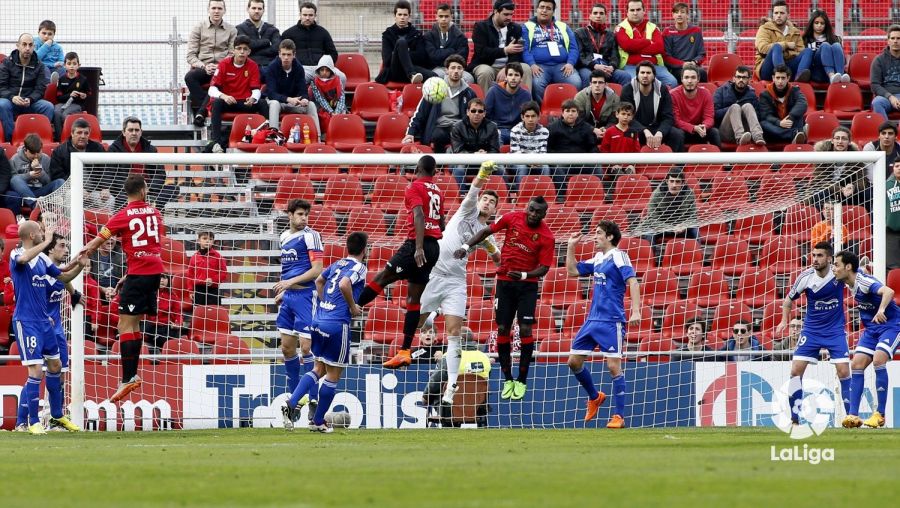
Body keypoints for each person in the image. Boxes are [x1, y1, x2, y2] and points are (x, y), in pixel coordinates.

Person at [453, 196, 555, 400]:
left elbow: (544, 268)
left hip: (527, 286)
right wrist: (465, 247)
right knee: (502, 328)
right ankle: (508, 378)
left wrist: (526, 275)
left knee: (525, 329)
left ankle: (522, 380)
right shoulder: (511, 218)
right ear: (528, 207)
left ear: (544, 214)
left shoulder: (547, 237)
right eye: (531, 210)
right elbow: (486, 231)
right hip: (504, 283)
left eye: (538, 212)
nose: (533, 214)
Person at [417, 161, 500, 406]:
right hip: (434, 273)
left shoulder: (486, 233)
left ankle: (451, 385)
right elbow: (474, 188)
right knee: (418, 323)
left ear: (495, 210)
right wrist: (484, 173)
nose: (487, 202)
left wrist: (495, 246)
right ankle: (435, 314)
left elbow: (497, 257)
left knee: (454, 334)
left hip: (455, 281)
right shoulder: (466, 210)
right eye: (485, 199)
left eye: (492, 202)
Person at [81, 175, 165, 403]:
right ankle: (131, 376)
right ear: (144, 190)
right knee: (134, 323)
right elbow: (150, 245)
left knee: (124, 324)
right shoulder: (155, 213)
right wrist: (128, 276)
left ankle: (128, 377)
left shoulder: (122, 216)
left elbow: (99, 239)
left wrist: (81, 254)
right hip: (154, 272)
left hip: (139, 274)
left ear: (126, 193)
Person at [357, 156, 446, 369]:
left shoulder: (414, 187)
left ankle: (352, 307)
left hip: (418, 244)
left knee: (383, 277)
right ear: (434, 171)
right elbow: (441, 223)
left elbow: (418, 215)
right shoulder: (439, 191)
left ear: (417, 169)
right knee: (413, 300)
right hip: (434, 247)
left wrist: (417, 247)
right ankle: (405, 351)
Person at [281, 232, 368, 432]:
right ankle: (318, 422)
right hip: (337, 324)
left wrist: (324, 303)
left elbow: (319, 280)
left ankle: (291, 403)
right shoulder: (360, 267)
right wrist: (353, 307)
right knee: (333, 375)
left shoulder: (337, 263)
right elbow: (344, 284)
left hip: (319, 320)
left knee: (318, 369)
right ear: (365, 249)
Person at [10, 221, 84, 434]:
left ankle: (58, 416)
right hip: (26, 322)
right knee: (35, 370)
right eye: (42, 232)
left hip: (45, 322)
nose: (45, 234)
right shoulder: (16, 254)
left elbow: (64, 277)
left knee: (55, 366)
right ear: (32, 235)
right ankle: (32, 421)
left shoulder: (43, 259)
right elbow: (24, 258)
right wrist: (49, 240)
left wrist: (79, 264)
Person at [564, 220, 640, 428]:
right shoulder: (598, 258)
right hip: (592, 320)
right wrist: (571, 246)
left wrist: (635, 311)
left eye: (598, 233)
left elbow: (633, 281)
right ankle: (595, 396)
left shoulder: (619, 255)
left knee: (613, 366)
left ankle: (619, 416)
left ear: (610, 237)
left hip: (611, 320)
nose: (594, 236)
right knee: (573, 362)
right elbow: (572, 271)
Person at [775, 241, 851, 424]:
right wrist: (784, 320)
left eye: (820, 256)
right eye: (813, 255)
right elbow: (787, 301)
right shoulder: (806, 277)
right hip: (811, 331)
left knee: (843, 372)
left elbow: (857, 280)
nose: (815, 259)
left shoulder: (837, 274)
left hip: (834, 331)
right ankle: (794, 419)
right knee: (795, 371)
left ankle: (851, 417)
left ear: (829, 258)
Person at [833, 250, 899, 429]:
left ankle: (880, 415)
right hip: (871, 329)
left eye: (836, 265)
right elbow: (861, 273)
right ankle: (853, 415)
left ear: (847, 267)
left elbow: (889, 291)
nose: (834, 269)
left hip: (891, 325)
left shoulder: (863, 282)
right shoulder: (853, 280)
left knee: (878, 360)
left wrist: (881, 310)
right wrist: (862, 267)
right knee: (856, 365)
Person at [273, 199, 323, 406]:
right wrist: (285, 292)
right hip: (289, 299)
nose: (304, 218)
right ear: (290, 215)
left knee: (306, 348)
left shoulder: (312, 236)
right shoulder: (284, 237)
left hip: (306, 297)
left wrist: (288, 283)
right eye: (300, 214)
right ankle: (295, 399)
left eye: (306, 215)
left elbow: (317, 269)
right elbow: (289, 268)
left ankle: (313, 399)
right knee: (286, 348)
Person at [205, 35, 266, 153]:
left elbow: (256, 89)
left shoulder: (253, 65)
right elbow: (212, 90)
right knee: (216, 103)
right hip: (229, 101)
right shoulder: (224, 64)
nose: (242, 52)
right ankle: (216, 142)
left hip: (245, 102)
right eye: (239, 48)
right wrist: (224, 96)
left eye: (245, 49)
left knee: (263, 103)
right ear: (233, 50)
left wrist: (253, 99)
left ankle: (267, 138)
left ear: (249, 51)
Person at [404, 54, 476, 153]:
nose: (456, 71)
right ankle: (439, 165)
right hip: (440, 127)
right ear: (446, 70)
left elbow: (476, 114)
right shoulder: (434, 88)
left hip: (459, 127)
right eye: (453, 68)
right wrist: (410, 133)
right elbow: (420, 113)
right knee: (438, 136)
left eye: (459, 68)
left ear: (463, 71)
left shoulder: (469, 92)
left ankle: (457, 166)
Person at [107, 116, 178, 211]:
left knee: (174, 189)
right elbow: (111, 175)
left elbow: (160, 174)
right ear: (124, 132)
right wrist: (130, 189)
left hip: (147, 190)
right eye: (130, 130)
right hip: (125, 191)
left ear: (141, 132)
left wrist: (149, 189)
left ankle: (154, 212)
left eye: (137, 130)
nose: (134, 133)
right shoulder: (114, 150)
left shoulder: (151, 149)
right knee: (121, 198)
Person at [184, 0, 237, 119]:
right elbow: (190, 55)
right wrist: (204, 66)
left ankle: (201, 112)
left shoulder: (231, 30)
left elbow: (232, 53)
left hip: (223, 68)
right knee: (189, 77)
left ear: (224, 10)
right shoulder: (198, 28)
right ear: (208, 10)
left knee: (219, 80)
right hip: (204, 67)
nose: (216, 11)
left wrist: (220, 66)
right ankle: (208, 107)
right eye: (213, 8)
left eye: (219, 8)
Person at [522, 0, 582, 102]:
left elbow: (573, 48)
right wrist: (532, 64)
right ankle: (542, 111)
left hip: (562, 66)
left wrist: (570, 63)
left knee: (575, 82)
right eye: (542, 7)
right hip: (539, 67)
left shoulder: (563, 26)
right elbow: (524, 49)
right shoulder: (527, 27)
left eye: (548, 8)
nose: (544, 11)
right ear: (537, 9)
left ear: (553, 12)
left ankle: (568, 111)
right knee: (537, 84)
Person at [469, 1, 531, 96]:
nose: (509, 18)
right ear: (495, 12)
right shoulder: (481, 27)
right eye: (505, 14)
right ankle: (485, 106)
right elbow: (481, 52)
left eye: (511, 14)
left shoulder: (516, 28)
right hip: (486, 64)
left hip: (508, 65)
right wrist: (505, 50)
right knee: (485, 72)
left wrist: (508, 67)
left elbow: (517, 53)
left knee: (525, 68)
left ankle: (525, 106)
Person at [0, 33, 53, 142]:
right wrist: (12, 97)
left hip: (29, 102)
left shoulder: (39, 66)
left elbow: (40, 89)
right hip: (11, 101)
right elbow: (1, 86)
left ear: (34, 47)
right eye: (24, 45)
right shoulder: (7, 63)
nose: (27, 48)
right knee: (2, 104)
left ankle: (38, 141)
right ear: (18, 46)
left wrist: (31, 99)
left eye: (30, 45)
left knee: (48, 107)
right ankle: (10, 140)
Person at [621, 61, 682, 151]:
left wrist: (660, 132)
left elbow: (668, 117)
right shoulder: (628, 89)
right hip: (636, 127)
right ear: (637, 75)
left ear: (654, 76)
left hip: (657, 127)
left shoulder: (662, 89)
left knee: (677, 134)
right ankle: (630, 164)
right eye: (642, 72)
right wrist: (644, 130)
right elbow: (627, 117)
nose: (645, 75)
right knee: (625, 133)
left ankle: (677, 164)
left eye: (648, 73)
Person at [615, 0, 678, 88]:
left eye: (638, 10)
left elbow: (659, 47)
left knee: (672, 82)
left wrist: (635, 48)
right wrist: (648, 41)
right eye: (632, 10)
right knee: (635, 82)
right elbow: (627, 46)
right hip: (631, 66)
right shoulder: (621, 27)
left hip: (654, 66)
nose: (635, 13)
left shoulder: (653, 27)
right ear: (627, 12)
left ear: (644, 11)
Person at [281, 2, 345, 85]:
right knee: (294, 79)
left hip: (321, 68)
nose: (307, 18)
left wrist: (325, 67)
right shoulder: (288, 33)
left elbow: (333, 54)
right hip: (301, 68)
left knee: (342, 77)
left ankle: (337, 98)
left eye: (310, 15)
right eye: (304, 15)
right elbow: (283, 54)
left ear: (315, 16)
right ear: (300, 15)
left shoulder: (323, 32)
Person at [547, 99, 600, 199]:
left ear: (577, 113)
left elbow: (592, 146)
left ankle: (596, 194)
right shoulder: (553, 127)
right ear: (562, 113)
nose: (570, 114)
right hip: (562, 161)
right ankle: (561, 196)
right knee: (557, 167)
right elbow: (549, 148)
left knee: (597, 166)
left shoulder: (585, 127)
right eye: (567, 111)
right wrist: (556, 158)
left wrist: (594, 156)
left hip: (582, 160)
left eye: (573, 111)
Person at [264, 39, 319, 134]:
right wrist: (288, 99)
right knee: (274, 104)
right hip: (278, 102)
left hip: (293, 102)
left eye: (289, 55)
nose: (286, 58)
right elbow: (271, 93)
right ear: (279, 54)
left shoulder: (298, 68)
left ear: (294, 55)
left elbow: (303, 91)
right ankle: (273, 136)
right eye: (283, 54)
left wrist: (305, 99)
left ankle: (317, 137)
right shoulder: (272, 68)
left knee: (311, 105)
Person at [374, 1, 436, 85]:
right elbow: (387, 60)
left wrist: (401, 53)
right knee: (401, 42)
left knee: (434, 76)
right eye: (399, 15)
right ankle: (411, 75)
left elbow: (421, 57)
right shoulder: (387, 34)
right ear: (395, 16)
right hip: (394, 72)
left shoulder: (417, 34)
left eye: (405, 15)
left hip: (414, 68)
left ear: (409, 16)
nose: (402, 17)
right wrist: (404, 52)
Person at [641, 167, 698, 256]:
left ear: (683, 183)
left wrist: (684, 226)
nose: (674, 185)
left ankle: (697, 257)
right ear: (667, 181)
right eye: (671, 181)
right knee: (649, 233)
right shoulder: (656, 194)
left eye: (677, 181)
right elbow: (652, 220)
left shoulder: (689, 194)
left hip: (681, 227)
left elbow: (693, 217)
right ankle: (650, 260)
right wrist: (670, 228)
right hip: (661, 227)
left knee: (695, 231)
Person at [450, 98, 501, 192]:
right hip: (465, 161)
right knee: (459, 170)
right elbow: (458, 151)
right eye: (473, 111)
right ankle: (461, 197)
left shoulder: (492, 127)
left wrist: (486, 155)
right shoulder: (457, 127)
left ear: (484, 113)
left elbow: (495, 150)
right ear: (468, 112)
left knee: (501, 169)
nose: (476, 113)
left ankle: (503, 198)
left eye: (480, 111)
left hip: (486, 161)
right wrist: (474, 155)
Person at [575, 3, 631, 88]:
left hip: (606, 67)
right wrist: (594, 65)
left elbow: (615, 55)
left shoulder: (611, 35)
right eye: (595, 13)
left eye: (601, 13)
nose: (598, 16)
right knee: (588, 76)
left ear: (606, 17)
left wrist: (611, 67)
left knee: (624, 76)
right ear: (590, 16)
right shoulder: (579, 32)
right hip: (588, 67)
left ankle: (623, 101)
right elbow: (580, 55)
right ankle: (587, 100)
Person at [670, 63, 720, 147]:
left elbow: (709, 117)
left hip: (700, 131)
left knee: (714, 132)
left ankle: (721, 160)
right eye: (686, 77)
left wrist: (705, 126)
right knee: (676, 133)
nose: (689, 81)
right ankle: (679, 160)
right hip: (682, 130)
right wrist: (693, 128)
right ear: (681, 79)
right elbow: (676, 121)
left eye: (693, 77)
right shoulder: (673, 95)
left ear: (698, 79)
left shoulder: (706, 94)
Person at [713, 65, 765, 146]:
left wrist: (744, 112)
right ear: (734, 78)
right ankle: (739, 137)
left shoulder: (752, 94)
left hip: (747, 133)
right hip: (726, 131)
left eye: (744, 77)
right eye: (738, 77)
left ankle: (758, 136)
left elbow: (758, 116)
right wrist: (732, 109)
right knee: (735, 107)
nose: (741, 80)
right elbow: (715, 114)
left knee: (747, 106)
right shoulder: (721, 91)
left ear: (749, 80)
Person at [8, 134, 64, 206]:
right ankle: (35, 206)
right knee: (14, 179)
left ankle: (54, 207)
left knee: (60, 181)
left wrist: (40, 172)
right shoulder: (15, 159)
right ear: (25, 150)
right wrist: (29, 175)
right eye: (32, 153)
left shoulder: (46, 159)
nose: (36, 156)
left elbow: (49, 181)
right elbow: (12, 182)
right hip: (23, 192)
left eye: (38, 152)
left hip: (41, 190)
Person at [424, 3, 474, 84]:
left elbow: (462, 57)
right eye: (441, 16)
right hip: (437, 68)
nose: (444, 19)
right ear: (436, 17)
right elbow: (433, 57)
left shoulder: (460, 36)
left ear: (451, 17)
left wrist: (451, 67)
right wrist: (452, 50)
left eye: (446, 16)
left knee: (469, 78)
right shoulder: (428, 36)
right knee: (438, 77)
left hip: (456, 68)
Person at [795, 9, 848, 84]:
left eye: (822, 23)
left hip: (836, 74)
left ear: (825, 25)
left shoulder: (834, 38)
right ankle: (831, 75)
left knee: (836, 45)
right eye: (816, 23)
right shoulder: (805, 39)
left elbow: (844, 61)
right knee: (825, 45)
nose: (819, 25)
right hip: (817, 73)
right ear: (812, 24)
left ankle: (841, 76)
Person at [758, 64, 808, 144]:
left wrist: (791, 117)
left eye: (783, 78)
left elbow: (803, 103)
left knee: (798, 114)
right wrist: (779, 123)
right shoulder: (765, 94)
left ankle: (797, 134)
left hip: (789, 123)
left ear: (788, 78)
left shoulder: (794, 90)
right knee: (763, 123)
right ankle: (795, 134)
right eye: (777, 78)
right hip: (775, 127)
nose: (780, 81)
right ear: (773, 78)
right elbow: (766, 115)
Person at [755, 0, 804, 81]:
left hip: (789, 65)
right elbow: (763, 48)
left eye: (782, 13)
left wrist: (783, 54)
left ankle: (799, 78)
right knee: (776, 47)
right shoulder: (764, 28)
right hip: (767, 68)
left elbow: (800, 51)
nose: (778, 16)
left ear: (788, 15)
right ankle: (782, 76)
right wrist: (786, 45)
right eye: (776, 13)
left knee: (808, 51)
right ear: (772, 15)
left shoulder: (795, 31)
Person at [485, 63, 532, 144]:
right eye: (510, 75)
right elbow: (486, 115)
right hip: (498, 129)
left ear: (521, 78)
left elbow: (527, 116)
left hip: (517, 130)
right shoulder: (493, 91)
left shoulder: (526, 95)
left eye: (516, 75)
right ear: (506, 77)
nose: (513, 78)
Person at [49, 117, 106, 182]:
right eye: (79, 133)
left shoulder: (98, 148)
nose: (83, 136)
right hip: (70, 190)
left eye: (86, 133)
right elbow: (57, 177)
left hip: (96, 189)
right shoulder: (59, 151)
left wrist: (105, 188)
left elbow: (106, 171)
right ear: (72, 133)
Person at [509, 101, 550, 191]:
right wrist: (529, 161)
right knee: (523, 167)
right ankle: (519, 196)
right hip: (518, 161)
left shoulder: (545, 131)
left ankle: (545, 195)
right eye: (527, 116)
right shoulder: (515, 131)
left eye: (533, 116)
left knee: (545, 167)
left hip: (537, 161)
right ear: (522, 117)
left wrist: (536, 161)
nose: (530, 119)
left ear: (538, 117)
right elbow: (516, 153)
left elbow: (543, 152)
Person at [662, 2, 708, 83]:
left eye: (682, 12)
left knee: (702, 73)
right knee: (684, 76)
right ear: (673, 15)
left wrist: (694, 62)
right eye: (676, 12)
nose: (679, 15)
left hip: (693, 67)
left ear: (687, 15)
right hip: (676, 68)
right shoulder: (667, 31)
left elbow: (701, 54)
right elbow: (666, 57)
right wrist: (682, 64)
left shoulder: (696, 31)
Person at [53, 52, 91, 138]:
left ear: (78, 65)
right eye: (69, 64)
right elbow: (59, 97)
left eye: (74, 63)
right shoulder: (62, 79)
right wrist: (70, 95)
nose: (72, 66)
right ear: (65, 65)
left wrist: (84, 95)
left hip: (76, 104)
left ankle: (68, 137)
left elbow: (89, 94)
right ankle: (60, 138)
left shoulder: (83, 79)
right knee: (56, 112)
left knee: (65, 114)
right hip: (63, 103)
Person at [142, 273, 183, 353]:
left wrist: (177, 324)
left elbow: (178, 312)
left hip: (167, 327)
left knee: (176, 340)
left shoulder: (172, 295)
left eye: (164, 278)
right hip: (151, 327)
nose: (162, 280)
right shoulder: (147, 293)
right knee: (166, 342)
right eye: (159, 278)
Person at [574, 70, 620, 141]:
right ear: (590, 84)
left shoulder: (614, 98)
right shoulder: (580, 97)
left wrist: (606, 129)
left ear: (606, 84)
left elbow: (614, 120)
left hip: (606, 130)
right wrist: (592, 129)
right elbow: (579, 119)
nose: (597, 85)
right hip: (586, 129)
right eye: (594, 82)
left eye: (600, 82)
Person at [600, 102, 641, 178]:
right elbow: (604, 151)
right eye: (623, 114)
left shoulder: (634, 132)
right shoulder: (609, 131)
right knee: (621, 176)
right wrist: (612, 164)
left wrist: (632, 165)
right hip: (613, 167)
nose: (625, 117)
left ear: (632, 117)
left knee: (629, 177)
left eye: (628, 115)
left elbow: (637, 151)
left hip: (628, 167)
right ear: (617, 114)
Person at [308, 55, 346, 136]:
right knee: (324, 116)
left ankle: (340, 135)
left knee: (343, 114)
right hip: (321, 106)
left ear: (331, 71)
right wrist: (331, 112)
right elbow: (320, 99)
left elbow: (341, 97)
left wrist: (337, 112)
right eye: (322, 70)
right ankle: (325, 135)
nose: (324, 72)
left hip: (335, 105)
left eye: (327, 70)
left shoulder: (337, 80)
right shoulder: (315, 82)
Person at [187, 231, 228, 306]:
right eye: (204, 238)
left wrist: (213, 280)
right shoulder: (194, 257)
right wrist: (191, 291)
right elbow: (190, 275)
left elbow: (223, 273)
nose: (207, 241)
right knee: (199, 314)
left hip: (213, 290)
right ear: (198, 241)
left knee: (213, 313)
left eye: (210, 239)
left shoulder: (217, 256)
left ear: (213, 241)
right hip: (198, 290)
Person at [236, 0, 280, 69]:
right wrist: (267, 42)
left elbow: (276, 49)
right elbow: (246, 47)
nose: (256, 11)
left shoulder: (272, 29)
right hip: (248, 67)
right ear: (248, 9)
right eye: (254, 8)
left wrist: (254, 50)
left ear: (263, 10)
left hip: (269, 67)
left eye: (259, 9)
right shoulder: (240, 29)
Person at [871, 25, 900, 121]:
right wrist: (890, 97)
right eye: (893, 38)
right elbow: (875, 85)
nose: (895, 41)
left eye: (898, 38)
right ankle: (886, 131)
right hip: (886, 96)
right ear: (888, 41)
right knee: (877, 103)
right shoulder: (879, 60)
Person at [888, 161, 900, 269]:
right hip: (890, 231)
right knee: (892, 266)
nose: (899, 168)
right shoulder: (886, 185)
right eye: (897, 166)